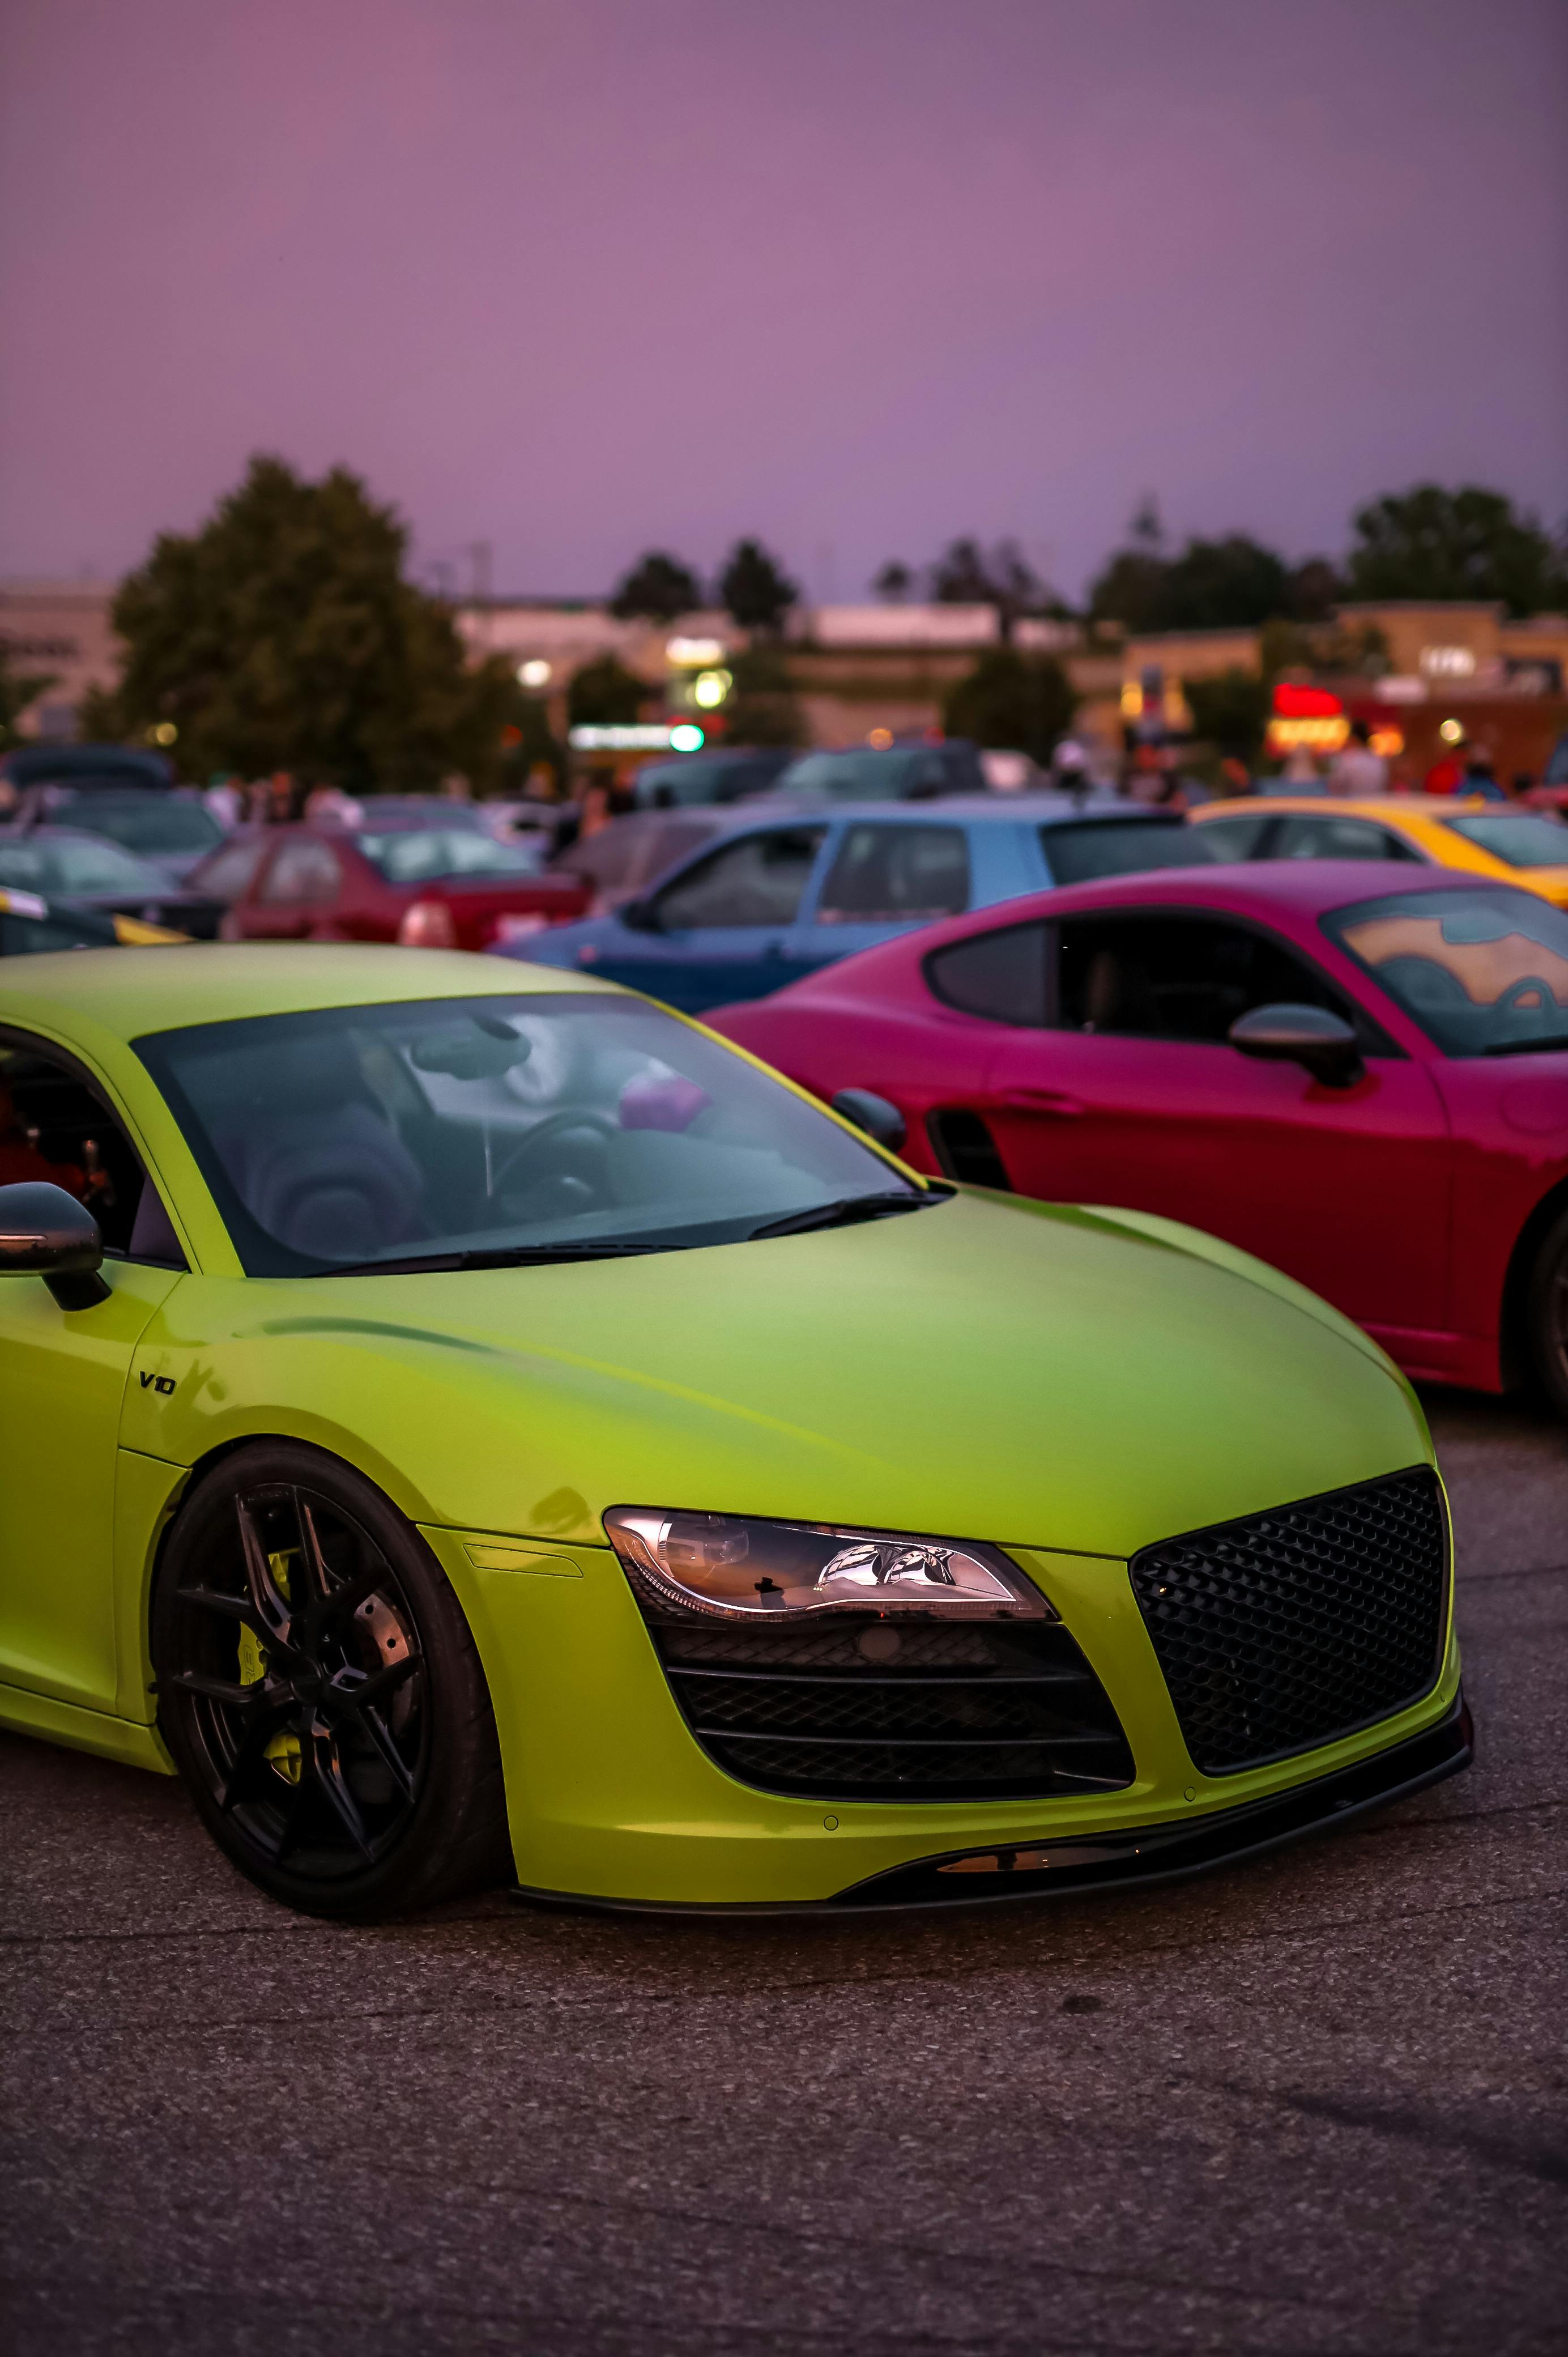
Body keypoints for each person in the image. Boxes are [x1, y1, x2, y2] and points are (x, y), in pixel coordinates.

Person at [1327, 719, 1388, 797]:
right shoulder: (1379, 760)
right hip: (1376, 802)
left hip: (1350, 803)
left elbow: (1335, 786)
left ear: (1353, 739)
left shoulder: (1347, 759)